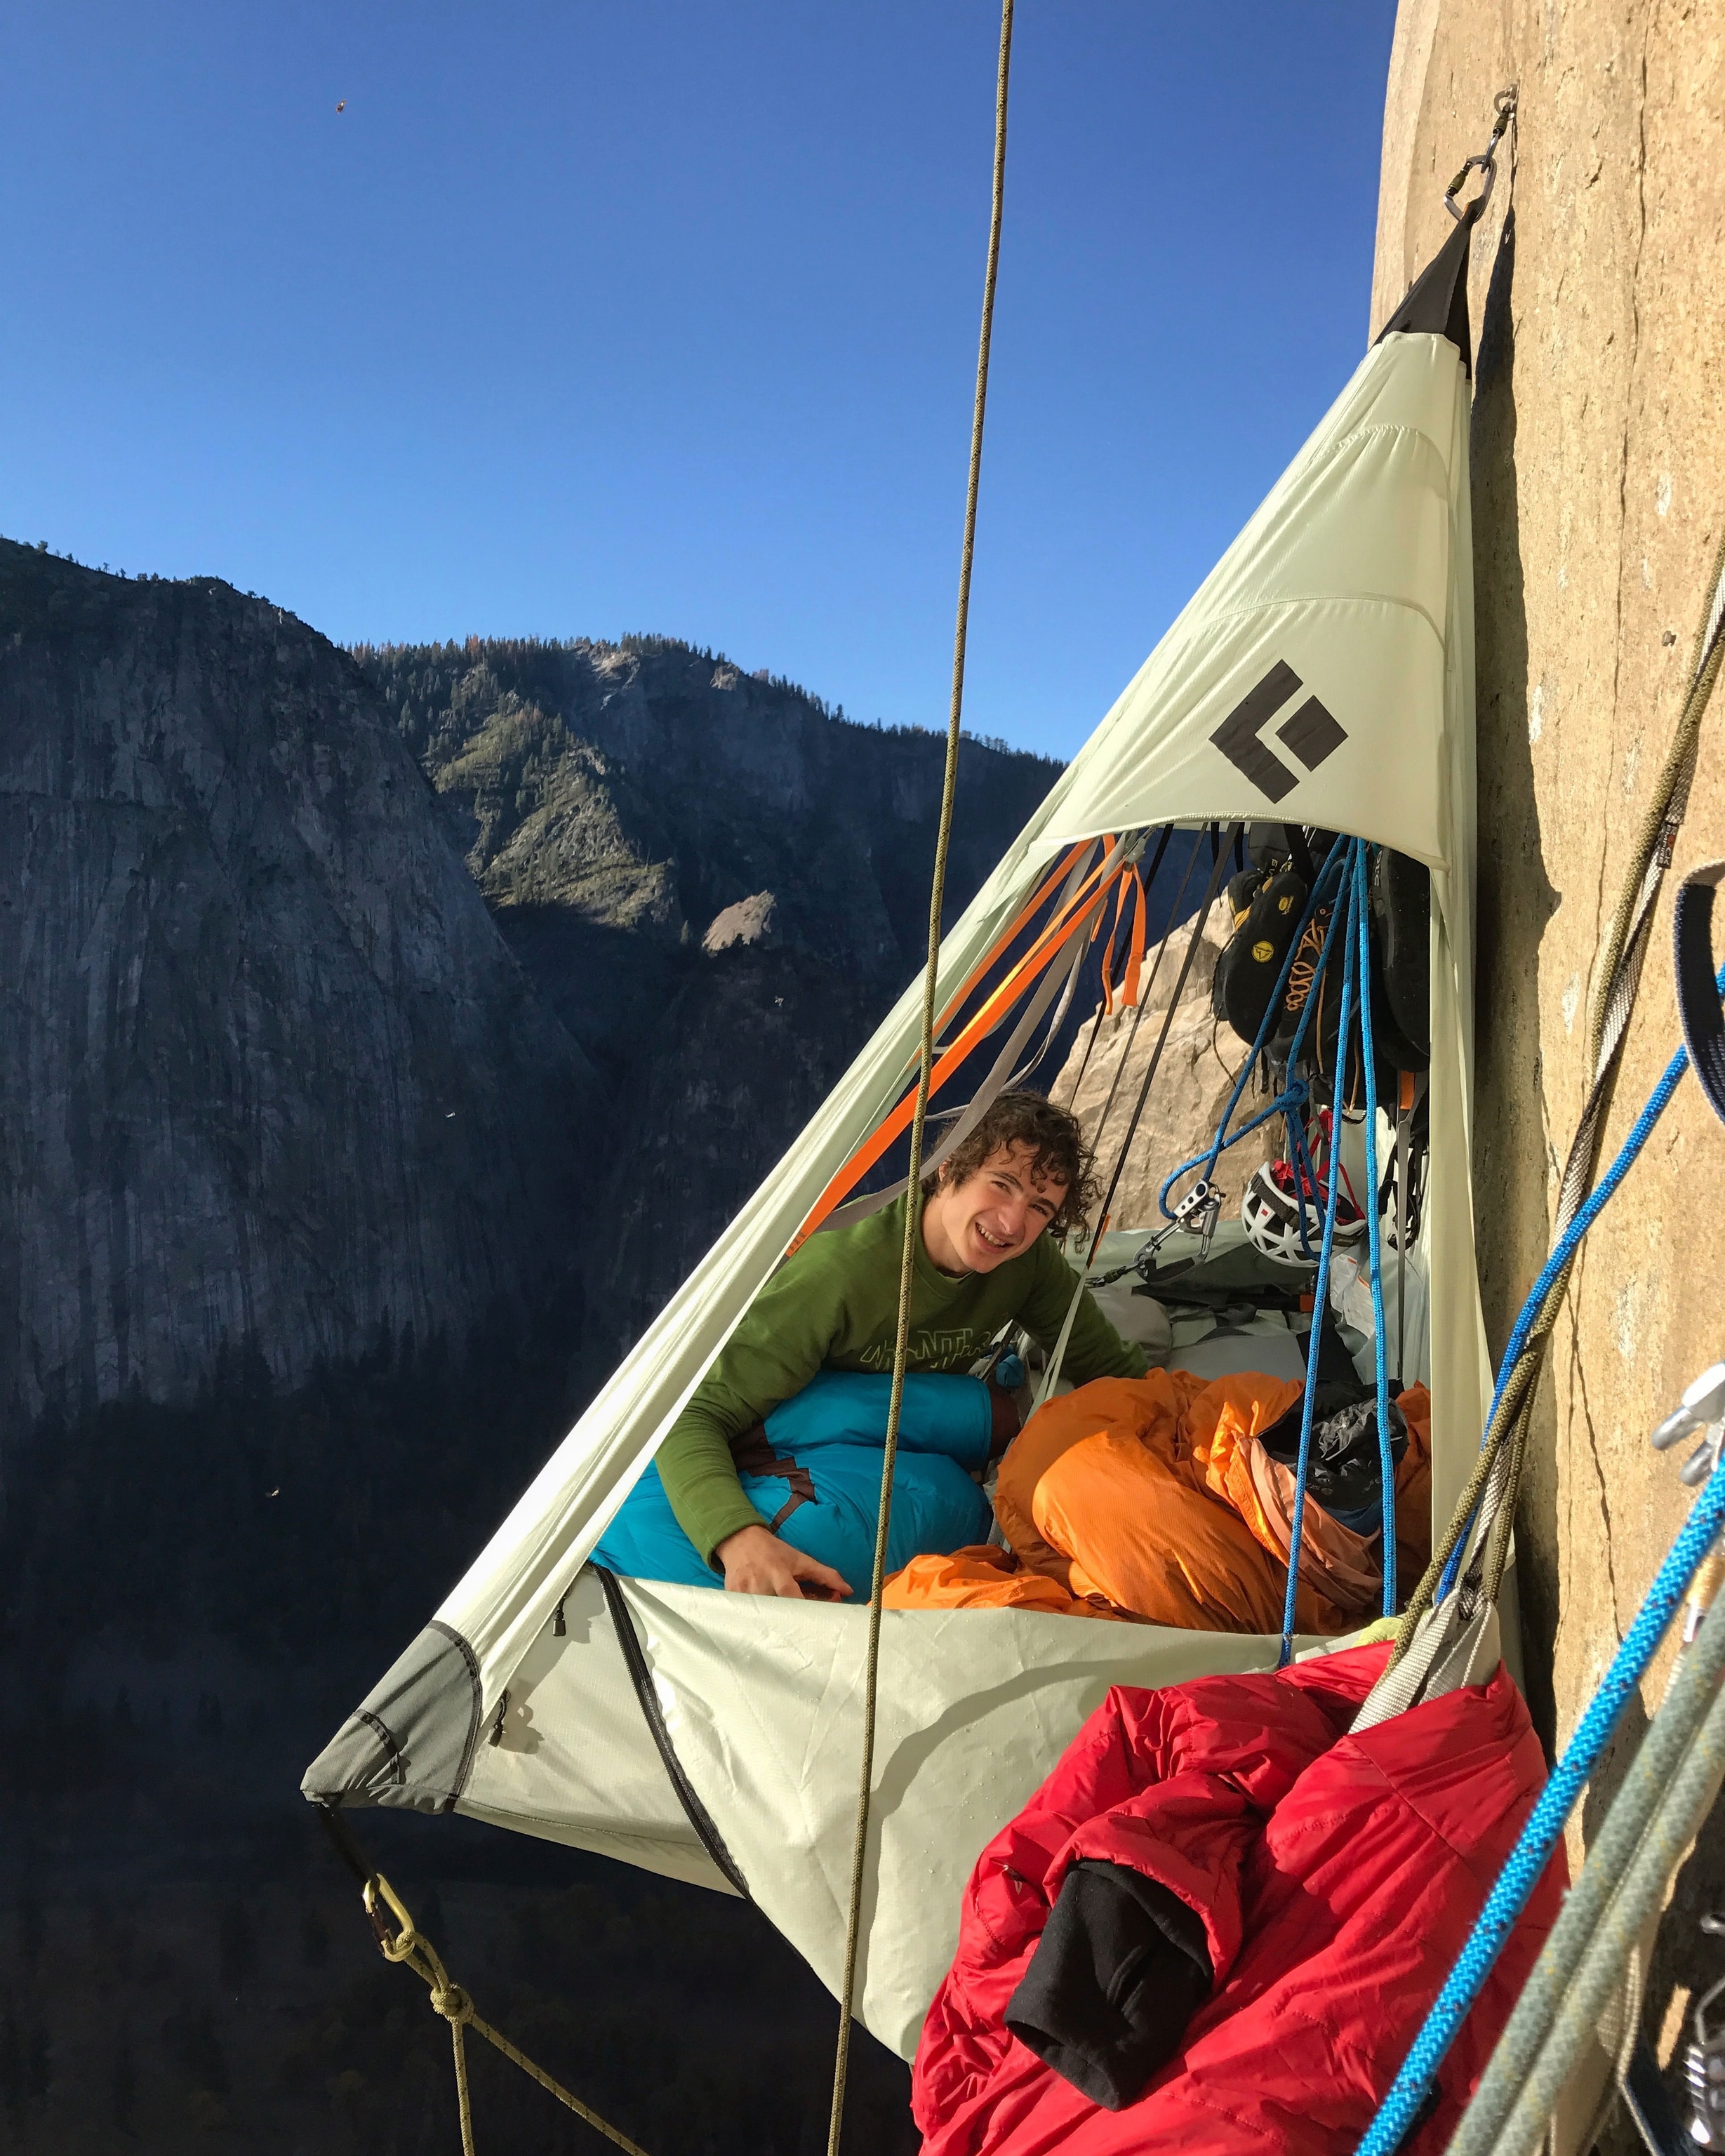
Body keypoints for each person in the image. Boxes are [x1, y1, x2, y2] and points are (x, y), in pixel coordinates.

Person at [593, 1090, 1151, 1600]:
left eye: (1040, 1208)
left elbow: (1105, 1366)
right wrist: (740, 1540)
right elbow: (692, 1413)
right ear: (950, 1165)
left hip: (882, 1432)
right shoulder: (843, 1270)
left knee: (959, 1486)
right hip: (786, 1426)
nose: (1011, 1222)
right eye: (1001, 1183)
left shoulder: (1026, 1266)